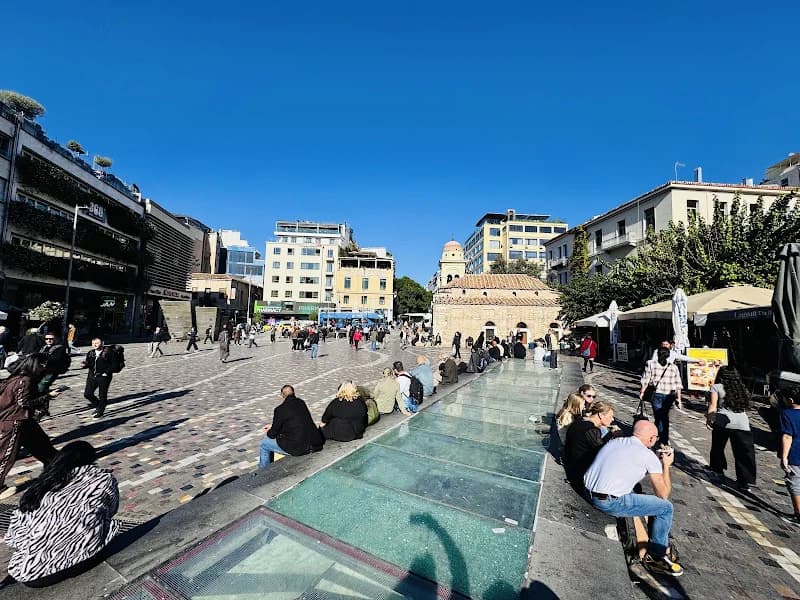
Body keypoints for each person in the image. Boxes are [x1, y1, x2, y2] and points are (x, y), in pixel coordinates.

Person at [4, 441, 119, 586]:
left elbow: (13, 538)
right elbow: (112, 509)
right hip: (80, 558)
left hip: (25, 573)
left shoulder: (40, 486)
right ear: (92, 459)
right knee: (108, 523)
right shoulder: (102, 478)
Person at [583, 420, 684, 577]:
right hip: (607, 501)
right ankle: (656, 556)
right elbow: (663, 494)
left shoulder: (617, 441)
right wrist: (666, 465)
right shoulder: (648, 456)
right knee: (666, 508)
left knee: (636, 491)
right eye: (656, 438)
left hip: (587, 490)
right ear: (651, 439)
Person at [0, 354, 60, 500]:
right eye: (43, 365)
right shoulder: (24, 380)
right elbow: (23, 403)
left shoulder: (17, 377)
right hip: (15, 421)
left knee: (43, 445)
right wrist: (48, 396)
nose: (45, 369)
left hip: (24, 420)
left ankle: (57, 469)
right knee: (6, 455)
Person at [706, 366, 756, 491]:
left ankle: (718, 470)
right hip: (742, 423)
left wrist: (709, 419)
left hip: (723, 422)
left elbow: (713, 406)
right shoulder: (741, 388)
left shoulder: (716, 387)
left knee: (718, 447)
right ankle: (744, 481)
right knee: (743, 453)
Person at [259, 385, 324, 467]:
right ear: (294, 393)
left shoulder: (280, 409)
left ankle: (263, 471)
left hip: (299, 447)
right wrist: (273, 426)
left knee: (264, 443)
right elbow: (295, 422)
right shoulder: (301, 402)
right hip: (314, 442)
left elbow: (272, 434)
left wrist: (270, 430)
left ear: (282, 396)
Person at [563, 401, 615, 488]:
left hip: (571, 462)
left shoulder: (580, 420)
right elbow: (601, 452)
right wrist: (612, 435)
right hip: (579, 470)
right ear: (601, 415)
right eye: (610, 416)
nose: (612, 419)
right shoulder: (592, 430)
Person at [640, 347, 682, 446]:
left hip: (657, 393)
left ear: (658, 354)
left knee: (658, 416)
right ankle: (664, 439)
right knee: (664, 417)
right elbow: (678, 384)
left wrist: (642, 392)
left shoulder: (651, 364)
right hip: (669, 395)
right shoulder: (673, 367)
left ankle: (659, 437)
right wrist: (679, 399)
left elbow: (645, 380)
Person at [780, 386, 800, 524]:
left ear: (791, 400)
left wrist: (784, 457)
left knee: (794, 483)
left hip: (796, 454)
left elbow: (787, 436)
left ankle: (798, 514)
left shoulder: (787, 414)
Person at [82, 338, 114, 419]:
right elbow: (89, 363)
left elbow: (115, 365)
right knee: (87, 394)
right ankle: (98, 405)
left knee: (102, 395)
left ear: (102, 343)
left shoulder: (108, 352)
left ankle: (100, 411)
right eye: (93, 343)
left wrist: (106, 372)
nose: (95, 345)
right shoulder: (91, 352)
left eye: (97, 343)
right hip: (92, 376)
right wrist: (85, 364)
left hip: (104, 377)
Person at [38, 333, 71, 397]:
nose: (48, 340)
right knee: (41, 387)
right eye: (46, 339)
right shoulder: (44, 347)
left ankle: (42, 400)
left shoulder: (59, 348)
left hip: (51, 371)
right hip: (42, 370)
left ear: (55, 339)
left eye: (51, 339)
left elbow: (55, 358)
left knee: (41, 387)